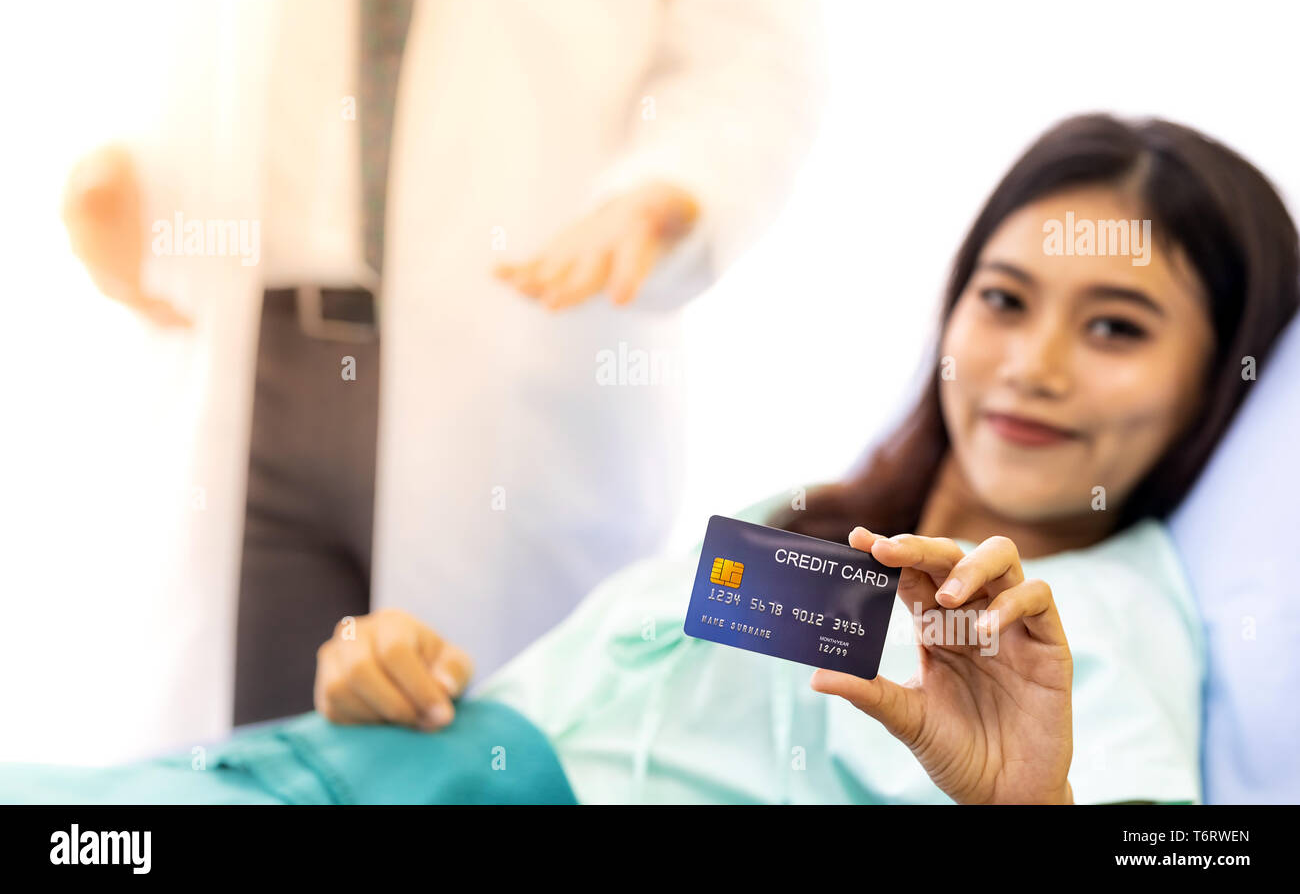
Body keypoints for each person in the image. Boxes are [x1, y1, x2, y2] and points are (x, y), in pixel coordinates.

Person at [14, 113, 1295, 804]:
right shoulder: (810, 519)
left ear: (1212, 375)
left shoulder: (1092, 635)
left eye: (1116, 327)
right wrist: (394, 680)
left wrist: (1026, 805)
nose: (1033, 363)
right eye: (1004, 299)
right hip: (314, 764)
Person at [58, 0, 825, 736]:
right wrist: (106, 152)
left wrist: (674, 187)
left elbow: (755, 49)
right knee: (245, 758)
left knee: (469, 746)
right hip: (247, 357)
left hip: (525, 352)